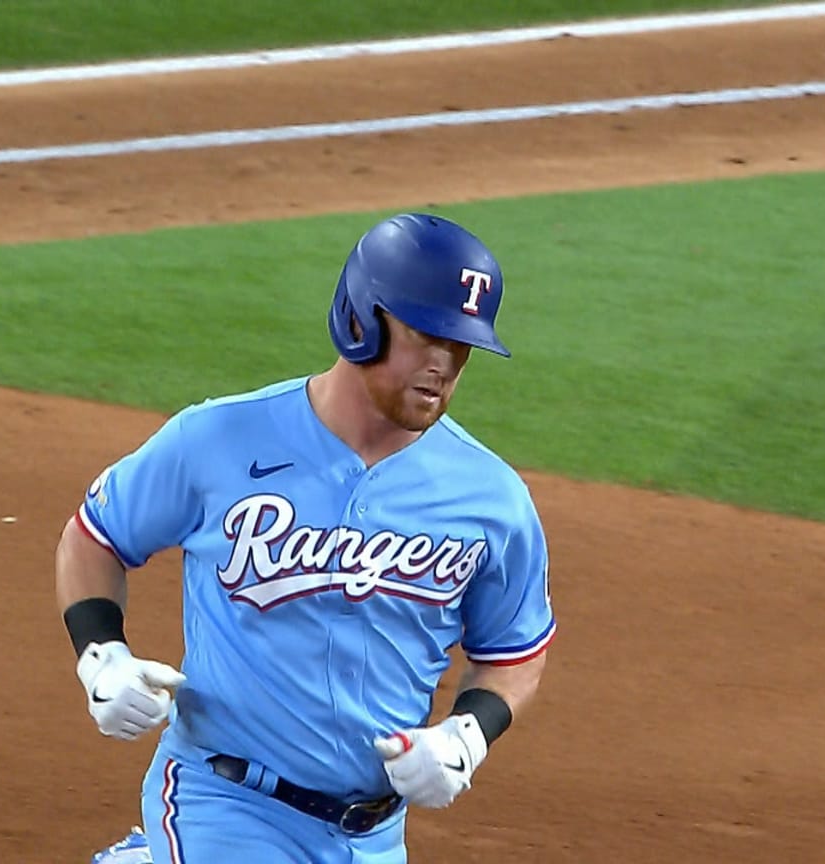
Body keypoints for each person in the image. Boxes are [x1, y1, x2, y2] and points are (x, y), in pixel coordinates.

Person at [55, 213, 557, 864]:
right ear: (360, 320)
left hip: (373, 837)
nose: (443, 365)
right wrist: (103, 657)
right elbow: (93, 538)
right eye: (424, 334)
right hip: (224, 801)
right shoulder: (218, 439)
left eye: (459, 346)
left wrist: (469, 734)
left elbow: (514, 647)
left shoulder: (491, 498)